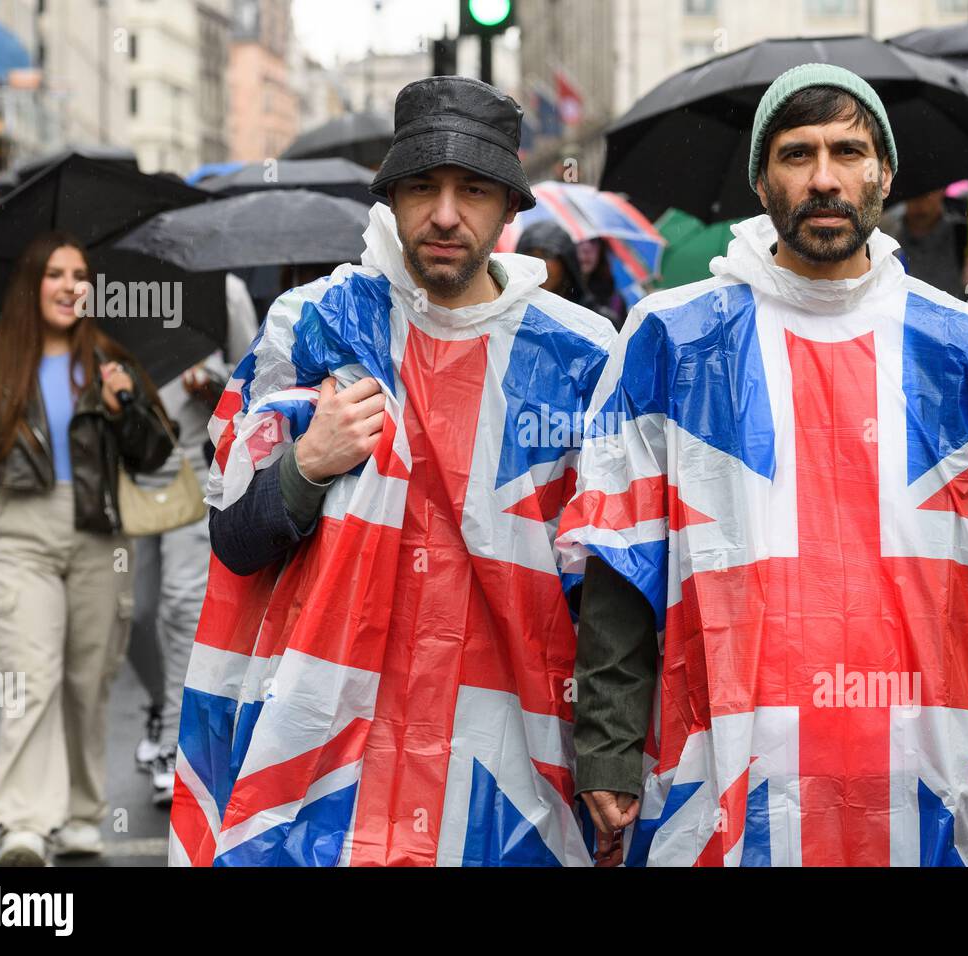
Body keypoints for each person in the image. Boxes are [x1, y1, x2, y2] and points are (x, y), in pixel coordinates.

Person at [557, 64, 968, 867]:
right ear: (762, 178)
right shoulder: (672, 338)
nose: (824, 179)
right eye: (797, 154)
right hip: (733, 766)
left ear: (884, 171)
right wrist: (607, 746)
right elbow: (622, 561)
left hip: (924, 766)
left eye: (849, 151)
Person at [169, 75, 616, 866]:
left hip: (505, 766)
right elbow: (235, 542)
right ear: (392, 198)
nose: (445, 215)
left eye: (473, 189)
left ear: (509, 208)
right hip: (329, 768)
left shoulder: (581, 357)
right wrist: (307, 465)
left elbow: (615, 584)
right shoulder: (315, 328)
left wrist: (613, 755)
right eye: (423, 187)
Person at [0, 231, 173, 866]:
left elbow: (156, 454)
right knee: (30, 679)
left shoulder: (110, 360)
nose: (71, 286)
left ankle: (82, 814)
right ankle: (24, 826)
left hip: (98, 533)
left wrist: (127, 407)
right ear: (30, 286)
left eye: (80, 275)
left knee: (87, 680)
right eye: (56, 274)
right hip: (19, 534)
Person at [127, 272, 260, 806]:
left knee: (182, 606)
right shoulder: (118, 286)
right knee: (133, 613)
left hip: (195, 470)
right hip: (133, 472)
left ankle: (177, 744)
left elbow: (255, 375)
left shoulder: (220, 288)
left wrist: (208, 379)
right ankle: (160, 704)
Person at [886, 187, 968, 304]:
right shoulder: (884, 238)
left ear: (942, 190)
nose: (921, 198)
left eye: (929, 188)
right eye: (913, 188)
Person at [517, 219, 618, 324]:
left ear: (566, 262)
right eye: (530, 255)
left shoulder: (598, 322)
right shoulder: (507, 315)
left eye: (547, 254)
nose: (537, 263)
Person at [578, 237, 627, 328]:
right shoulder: (551, 294)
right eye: (578, 241)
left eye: (593, 241)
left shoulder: (615, 301)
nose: (586, 248)